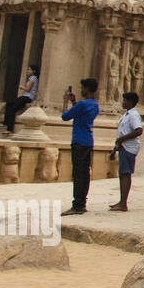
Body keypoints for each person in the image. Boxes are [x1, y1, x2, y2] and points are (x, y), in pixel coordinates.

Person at [60, 78, 100, 215]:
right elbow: (82, 112)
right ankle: (82, 202)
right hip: (88, 140)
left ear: (87, 89)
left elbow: (65, 116)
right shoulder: (94, 104)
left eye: (82, 88)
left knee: (78, 173)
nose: (81, 90)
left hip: (78, 140)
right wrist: (74, 102)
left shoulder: (82, 104)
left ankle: (77, 205)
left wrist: (66, 102)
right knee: (84, 173)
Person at [110, 91, 143, 211]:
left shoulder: (133, 115)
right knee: (123, 174)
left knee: (125, 174)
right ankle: (121, 201)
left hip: (129, 147)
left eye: (124, 100)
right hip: (124, 146)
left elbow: (139, 130)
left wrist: (122, 139)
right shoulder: (127, 115)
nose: (123, 102)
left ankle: (123, 203)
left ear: (130, 101)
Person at [3, 64, 39, 133]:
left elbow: (28, 89)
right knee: (9, 104)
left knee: (13, 108)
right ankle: (5, 123)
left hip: (28, 97)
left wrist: (22, 87)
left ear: (34, 71)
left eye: (29, 69)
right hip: (25, 96)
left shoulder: (33, 78)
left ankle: (9, 129)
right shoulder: (31, 78)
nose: (27, 71)